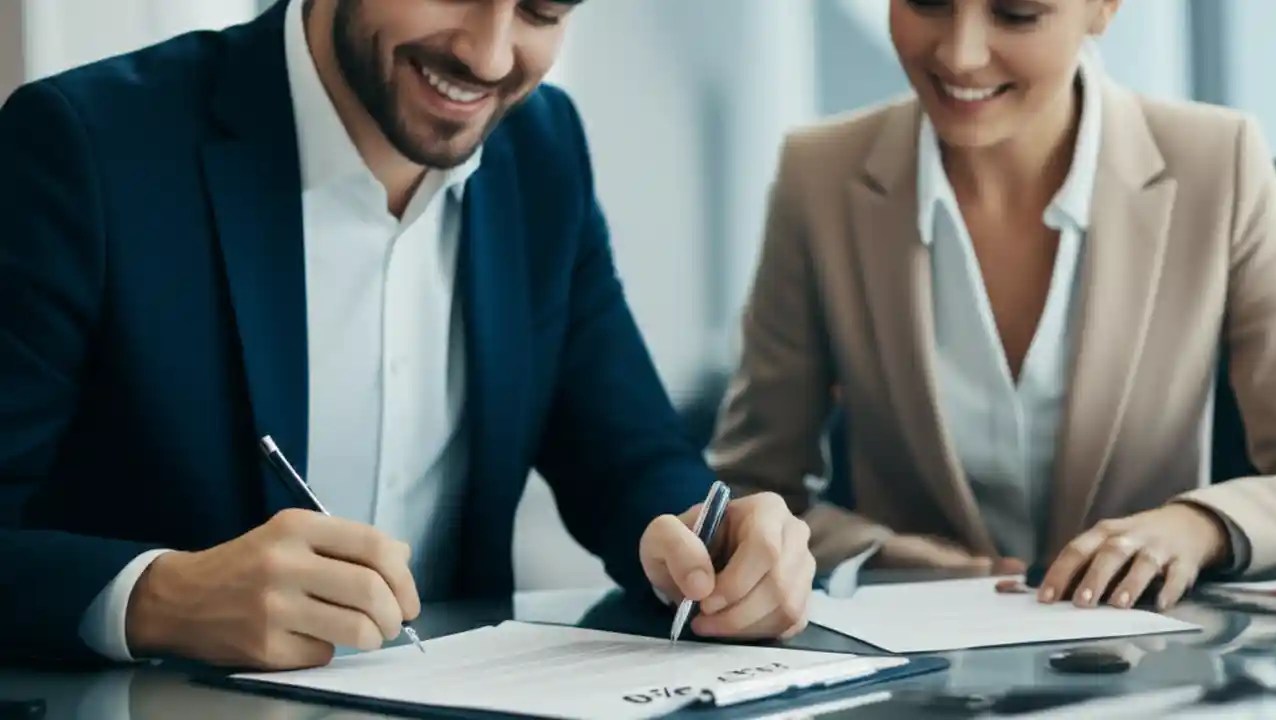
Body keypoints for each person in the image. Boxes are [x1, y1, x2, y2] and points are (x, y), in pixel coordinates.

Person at [0, 0, 815, 669]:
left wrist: (719, 542)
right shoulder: (85, 146)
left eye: (541, 10)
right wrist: (157, 597)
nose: (491, 57)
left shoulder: (542, 149)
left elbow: (627, 458)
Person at [711, 0, 1276, 612]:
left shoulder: (1219, 163)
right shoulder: (818, 175)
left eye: (1017, 14)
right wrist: (873, 552)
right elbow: (750, 492)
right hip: (918, 670)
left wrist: (1196, 528)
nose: (961, 53)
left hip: (1153, 673)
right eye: (927, 1)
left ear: (1103, 9)